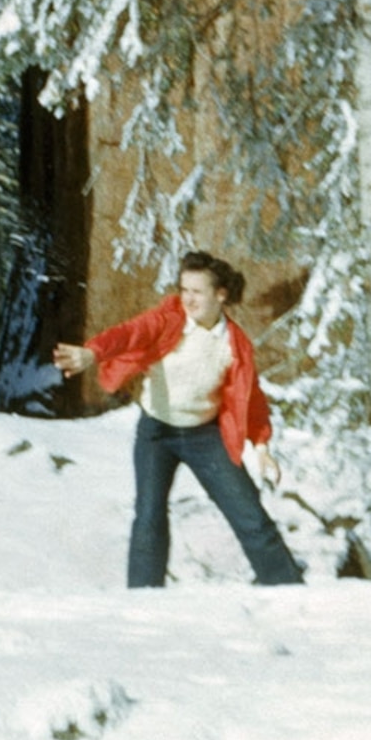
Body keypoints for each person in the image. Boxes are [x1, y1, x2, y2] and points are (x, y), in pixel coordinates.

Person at [53, 251, 306, 589]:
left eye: (197, 291)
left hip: (206, 436)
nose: (187, 298)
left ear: (221, 295)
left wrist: (261, 446)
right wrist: (93, 352)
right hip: (156, 433)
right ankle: (144, 599)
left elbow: (252, 399)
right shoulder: (169, 320)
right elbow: (130, 333)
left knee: (249, 513)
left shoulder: (234, 344)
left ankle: (287, 590)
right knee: (149, 517)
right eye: (184, 289)